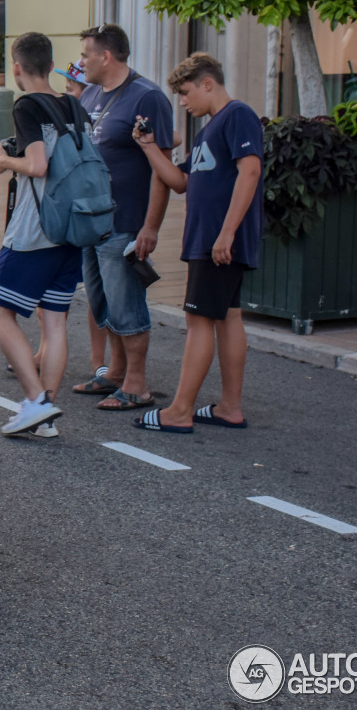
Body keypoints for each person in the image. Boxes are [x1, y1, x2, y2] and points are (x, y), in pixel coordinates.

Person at [130, 53, 263, 433]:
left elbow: (250, 171)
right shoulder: (209, 131)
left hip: (216, 241)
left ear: (208, 83)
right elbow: (180, 180)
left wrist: (226, 232)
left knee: (199, 319)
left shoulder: (237, 115)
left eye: (186, 94)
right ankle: (229, 407)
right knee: (227, 316)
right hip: (210, 239)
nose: (183, 103)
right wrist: (149, 146)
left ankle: (179, 411)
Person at [0, 32, 93, 437]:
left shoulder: (28, 105)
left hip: (36, 228)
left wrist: (3, 161)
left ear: (17, 68)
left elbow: (37, 165)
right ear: (51, 65)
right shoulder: (75, 106)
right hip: (73, 228)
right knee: (55, 323)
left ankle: (36, 401)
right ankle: (45, 410)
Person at [72, 24, 175, 411]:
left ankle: (137, 384)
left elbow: (162, 169)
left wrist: (150, 227)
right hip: (91, 221)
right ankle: (114, 373)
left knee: (126, 303)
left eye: (85, 54)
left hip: (125, 220)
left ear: (106, 56)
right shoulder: (92, 94)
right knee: (102, 302)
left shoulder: (147, 98)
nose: (81, 62)